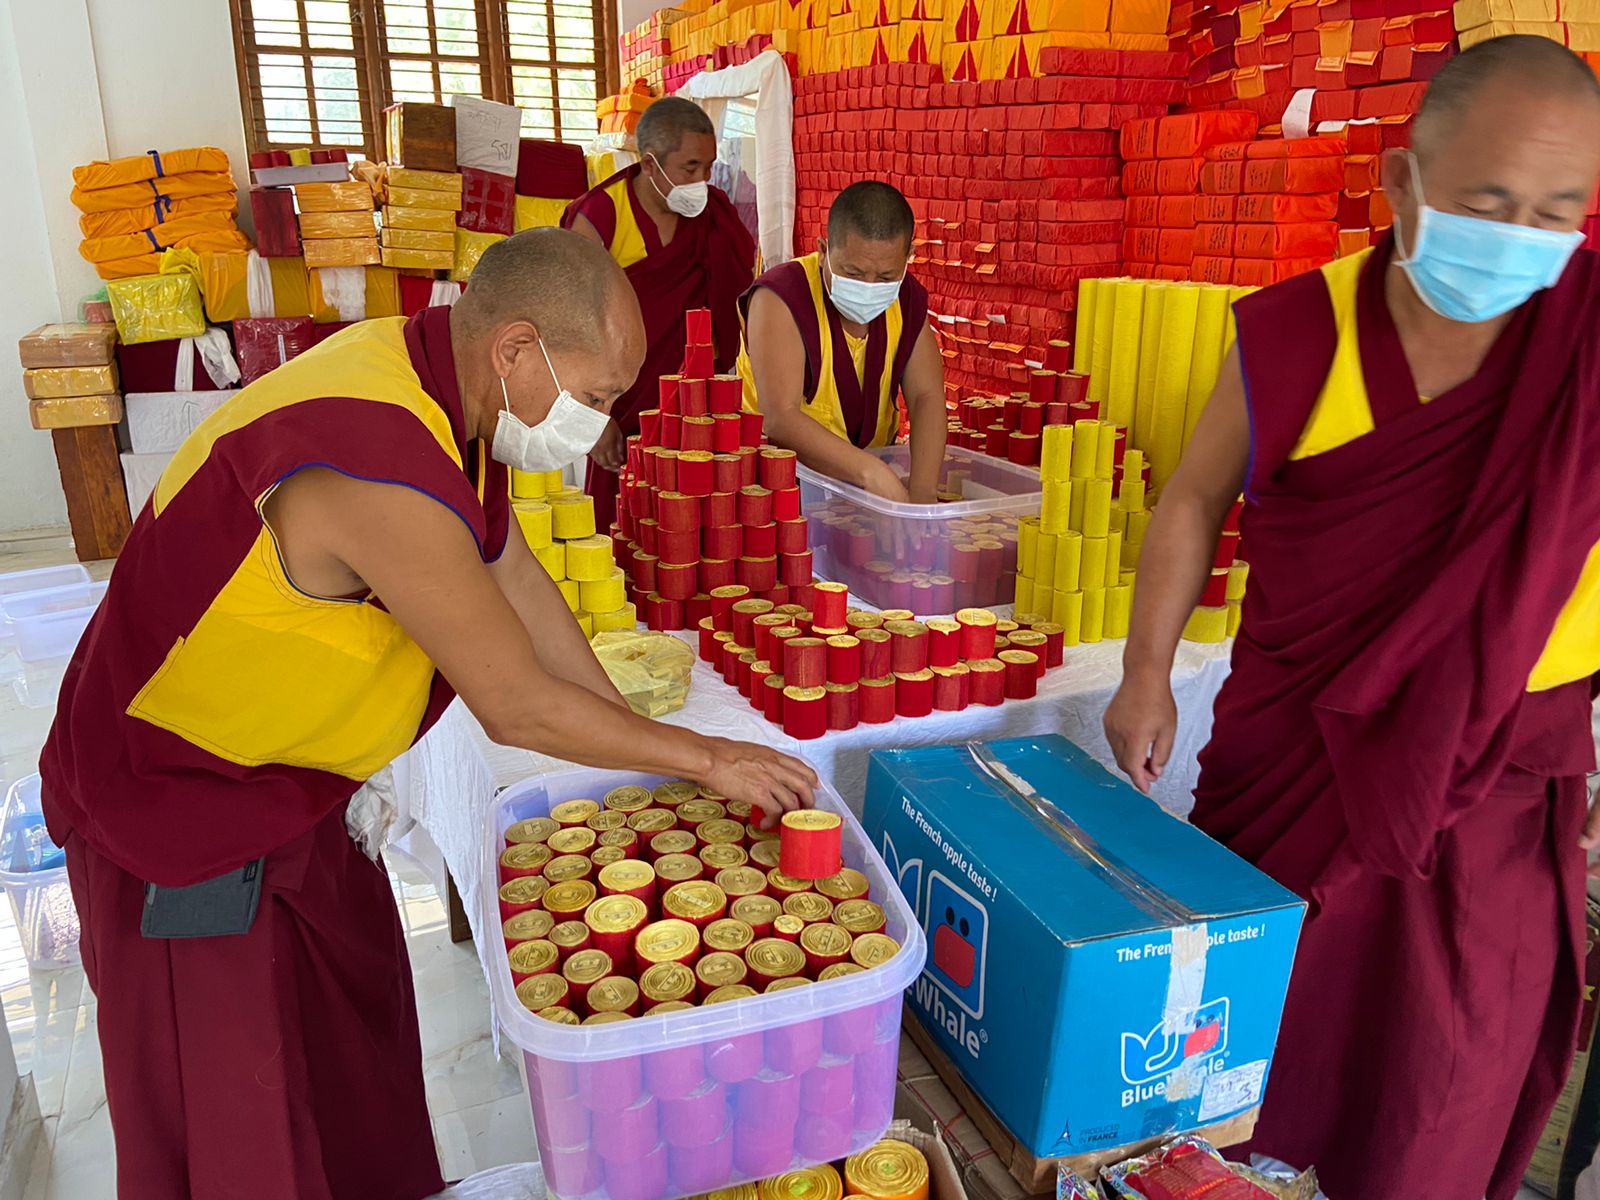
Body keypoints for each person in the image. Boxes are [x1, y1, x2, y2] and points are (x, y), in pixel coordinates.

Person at [38, 228, 817, 1200]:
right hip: (178, 806)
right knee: (241, 1132)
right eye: (603, 394)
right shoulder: (378, 462)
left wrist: (634, 743)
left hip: (294, 787)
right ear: (516, 348)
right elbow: (512, 701)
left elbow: (515, 574)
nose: (601, 420)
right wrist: (703, 757)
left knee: (352, 1072)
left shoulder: (438, 384)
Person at [1102, 36, 1600, 1200]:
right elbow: (1190, 497)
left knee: (1436, 1102)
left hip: (1493, 801)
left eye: (1559, 210)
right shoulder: (1293, 331)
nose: (1521, 235)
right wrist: (1141, 676)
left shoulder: (1584, 343)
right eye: (1487, 201)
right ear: (1402, 182)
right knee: (1237, 1082)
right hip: (1293, 771)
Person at [564, 96, 757, 531]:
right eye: (689, 168)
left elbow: (735, 299)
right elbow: (571, 330)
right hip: (622, 409)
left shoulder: (714, 213)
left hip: (697, 409)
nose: (702, 181)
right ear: (649, 165)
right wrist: (594, 420)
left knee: (697, 537)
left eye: (708, 167)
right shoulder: (600, 218)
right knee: (619, 534)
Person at [738, 180, 948, 504]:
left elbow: (926, 395)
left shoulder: (905, 300)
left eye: (885, 277)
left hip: (861, 494)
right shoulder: (781, 296)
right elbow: (779, 416)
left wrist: (922, 494)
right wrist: (871, 472)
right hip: (774, 490)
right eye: (853, 272)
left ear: (909, 258)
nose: (868, 286)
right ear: (823, 251)